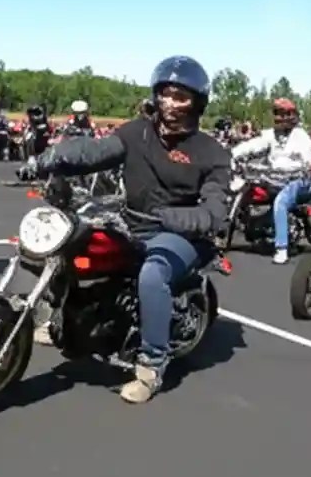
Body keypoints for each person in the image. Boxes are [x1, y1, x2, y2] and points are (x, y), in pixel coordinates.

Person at [31, 55, 230, 404]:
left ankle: (151, 366)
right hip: (132, 220)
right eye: (165, 93)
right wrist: (49, 158)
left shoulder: (211, 152)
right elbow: (94, 151)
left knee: (153, 275)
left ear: (197, 103)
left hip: (180, 235)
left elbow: (215, 209)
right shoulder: (136, 132)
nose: (170, 103)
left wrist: (179, 218)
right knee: (73, 238)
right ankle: (60, 317)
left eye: (180, 96)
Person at [229, 97, 311, 263]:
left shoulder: (301, 137)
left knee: (281, 202)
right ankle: (247, 224)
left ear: (293, 116)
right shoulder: (270, 135)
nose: (280, 118)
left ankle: (281, 248)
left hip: (298, 181)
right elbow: (253, 145)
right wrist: (233, 153)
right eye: (277, 113)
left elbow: (307, 160)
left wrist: (289, 166)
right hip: (273, 179)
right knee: (246, 188)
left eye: (284, 114)